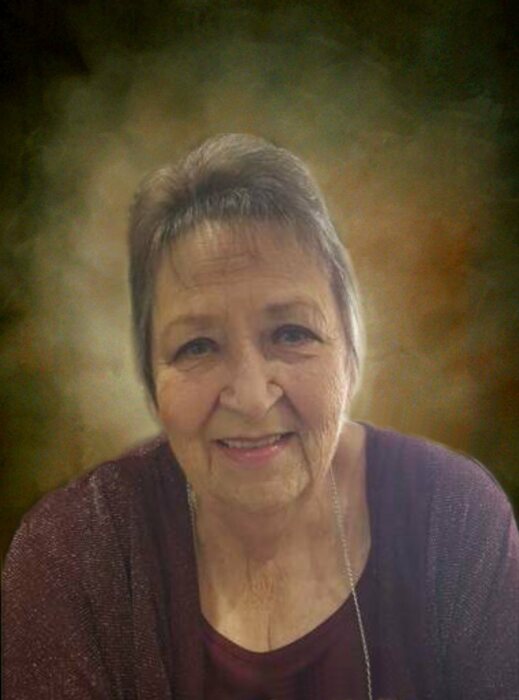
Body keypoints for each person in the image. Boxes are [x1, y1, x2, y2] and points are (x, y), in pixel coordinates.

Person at [3, 134, 518, 700]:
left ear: (350, 356)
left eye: (292, 334)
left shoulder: (453, 519)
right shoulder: (73, 552)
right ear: (152, 381)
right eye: (197, 346)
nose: (250, 398)